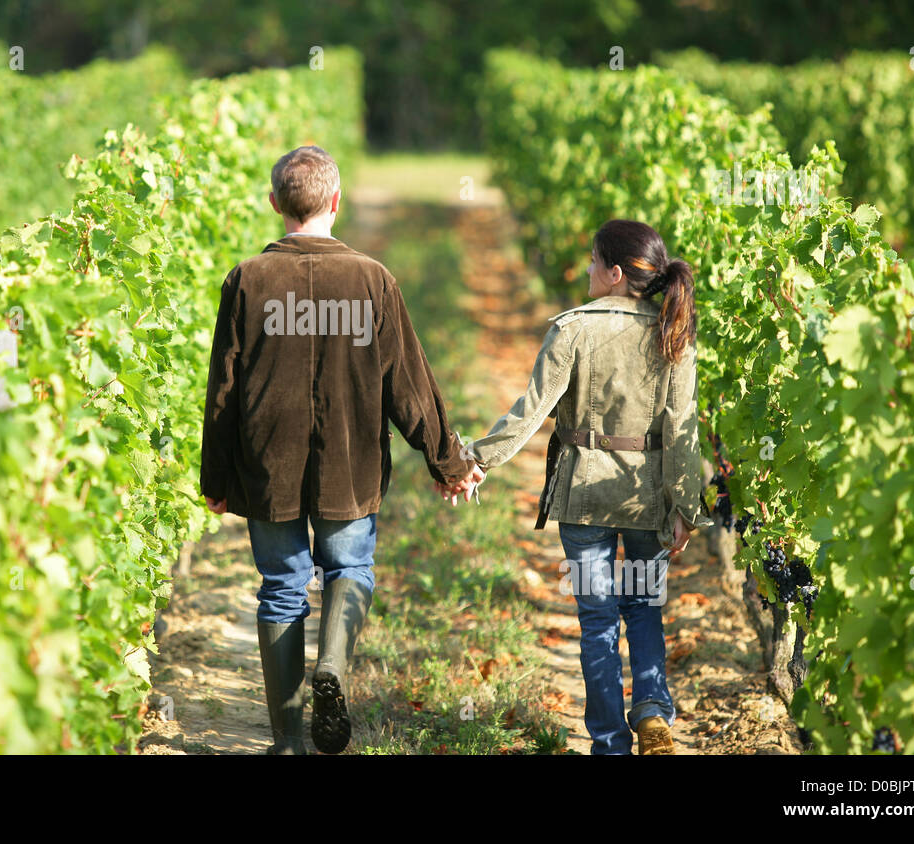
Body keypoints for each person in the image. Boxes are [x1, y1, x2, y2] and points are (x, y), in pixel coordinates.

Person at [200, 145, 484, 755]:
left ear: (275, 204)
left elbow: (222, 390)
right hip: (349, 468)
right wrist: (448, 463)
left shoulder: (247, 279)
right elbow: (408, 383)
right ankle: (331, 665)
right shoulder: (372, 280)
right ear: (336, 201)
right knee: (348, 569)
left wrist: (216, 479)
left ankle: (288, 742)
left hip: (265, 465)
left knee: (280, 585)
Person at [452, 218, 711, 755]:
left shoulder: (573, 329)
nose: (588, 271)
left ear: (615, 273)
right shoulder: (673, 332)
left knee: (596, 620)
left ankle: (611, 743)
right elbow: (682, 431)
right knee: (643, 605)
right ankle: (653, 711)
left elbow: (530, 413)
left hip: (586, 493)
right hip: (648, 494)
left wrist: (476, 458)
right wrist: (685, 506)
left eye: (594, 262)